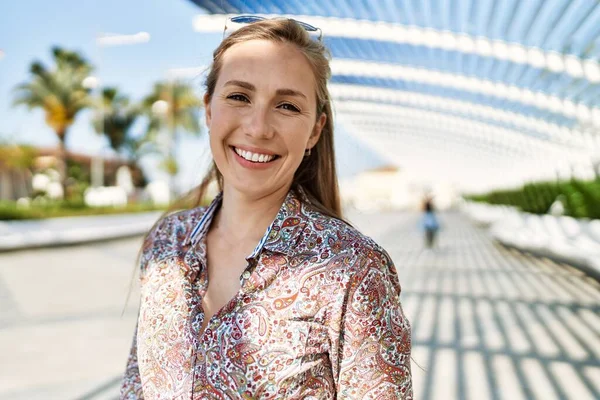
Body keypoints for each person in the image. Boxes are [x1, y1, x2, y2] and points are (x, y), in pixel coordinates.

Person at [120, 16, 412, 399]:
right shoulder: (165, 242)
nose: (258, 128)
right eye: (239, 97)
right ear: (209, 110)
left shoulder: (353, 270)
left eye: (287, 106)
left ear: (314, 131)